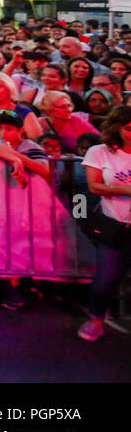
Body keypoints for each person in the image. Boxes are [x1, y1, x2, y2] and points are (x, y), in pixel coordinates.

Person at [76, 105, 131, 341]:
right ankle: (96, 318)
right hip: (116, 228)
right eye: (129, 128)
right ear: (117, 128)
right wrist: (125, 190)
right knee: (105, 279)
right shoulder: (99, 152)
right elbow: (94, 186)